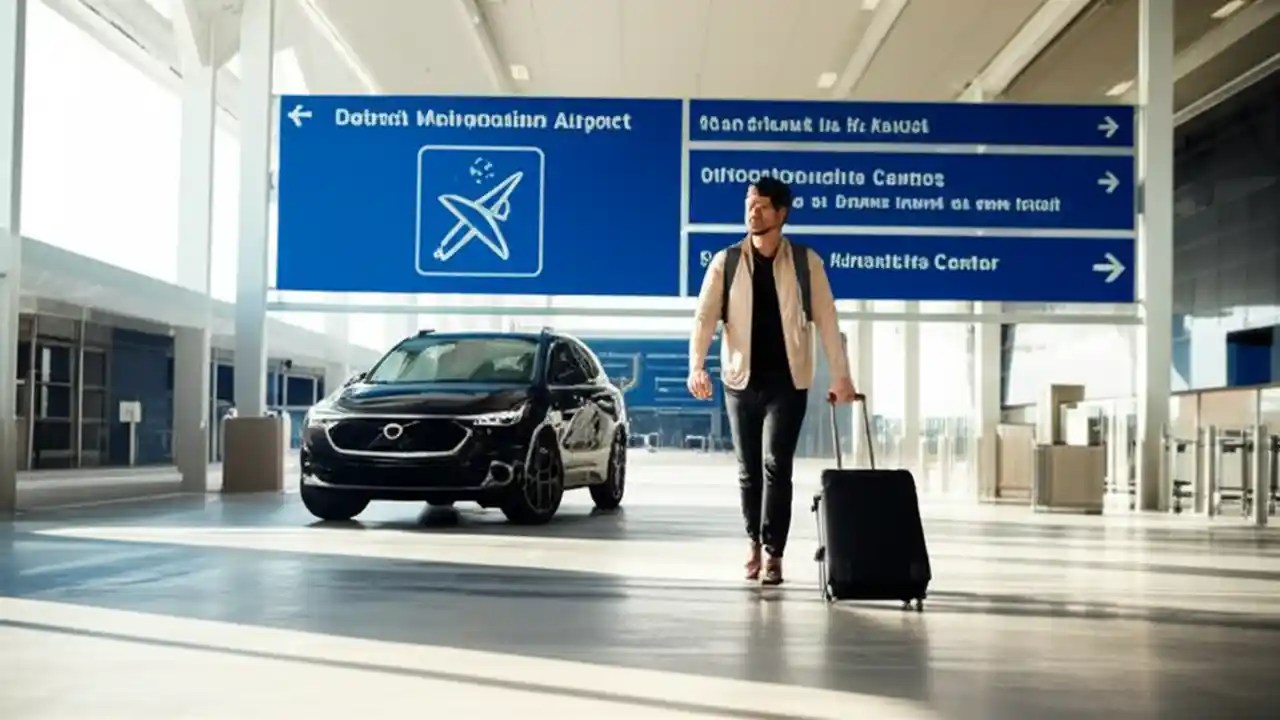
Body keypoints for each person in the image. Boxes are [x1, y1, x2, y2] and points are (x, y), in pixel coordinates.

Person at [687, 176, 857, 586]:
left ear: (781, 213)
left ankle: (773, 552)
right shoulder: (726, 262)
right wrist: (696, 366)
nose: (753, 212)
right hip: (740, 381)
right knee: (749, 471)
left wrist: (841, 376)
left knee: (777, 466)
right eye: (750, 204)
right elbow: (704, 318)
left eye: (762, 206)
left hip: (788, 381)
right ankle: (753, 541)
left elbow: (828, 320)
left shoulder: (805, 263)